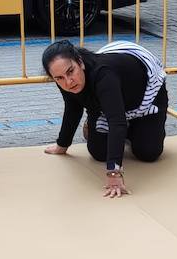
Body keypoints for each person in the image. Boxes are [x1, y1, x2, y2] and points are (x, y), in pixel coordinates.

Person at [41, 39, 168, 199]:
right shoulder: (65, 80)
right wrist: (62, 145)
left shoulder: (103, 74)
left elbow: (117, 121)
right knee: (98, 152)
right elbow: (73, 107)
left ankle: (134, 128)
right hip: (107, 105)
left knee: (148, 153)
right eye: (59, 78)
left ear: (80, 62)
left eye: (70, 71)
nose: (68, 81)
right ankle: (119, 130)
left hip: (145, 99)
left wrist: (114, 173)